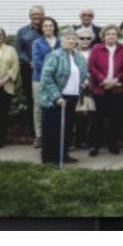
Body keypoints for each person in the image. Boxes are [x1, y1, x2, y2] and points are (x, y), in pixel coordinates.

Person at [39, 29, 88, 165]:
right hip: (56, 98)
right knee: (52, 129)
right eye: (68, 38)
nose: (71, 41)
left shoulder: (78, 56)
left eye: (73, 39)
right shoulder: (54, 55)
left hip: (72, 97)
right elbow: (46, 77)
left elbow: (84, 74)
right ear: (61, 40)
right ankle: (49, 158)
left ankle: (64, 154)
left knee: (67, 128)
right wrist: (57, 97)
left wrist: (84, 83)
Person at [88, 24, 123, 156]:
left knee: (115, 118)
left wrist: (115, 80)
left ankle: (113, 144)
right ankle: (95, 145)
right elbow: (91, 66)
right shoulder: (96, 48)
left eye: (113, 34)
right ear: (103, 36)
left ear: (117, 36)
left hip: (116, 88)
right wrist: (103, 79)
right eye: (108, 34)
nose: (111, 36)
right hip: (100, 88)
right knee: (97, 119)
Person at [31, 17, 61, 149]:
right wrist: (52, 71)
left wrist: (57, 73)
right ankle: (39, 136)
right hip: (40, 79)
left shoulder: (61, 42)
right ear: (41, 28)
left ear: (54, 27)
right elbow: (37, 62)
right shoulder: (37, 43)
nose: (48, 28)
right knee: (39, 106)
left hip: (59, 80)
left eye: (50, 25)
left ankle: (54, 135)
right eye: (45, 26)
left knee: (56, 106)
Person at [15, 6, 45, 137]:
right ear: (30, 16)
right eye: (34, 15)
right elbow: (19, 50)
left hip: (46, 68)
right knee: (31, 99)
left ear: (43, 15)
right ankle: (33, 130)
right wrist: (29, 61)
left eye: (39, 14)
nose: (37, 17)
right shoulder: (22, 31)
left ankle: (46, 127)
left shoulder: (47, 29)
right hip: (28, 69)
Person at [73, 26, 97, 149]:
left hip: (92, 86)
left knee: (91, 113)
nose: (85, 40)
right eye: (82, 38)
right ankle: (78, 140)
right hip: (76, 86)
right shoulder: (72, 52)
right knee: (77, 114)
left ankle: (90, 140)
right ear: (77, 39)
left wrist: (89, 79)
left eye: (88, 38)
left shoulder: (95, 51)